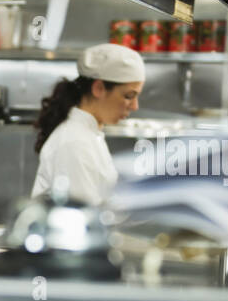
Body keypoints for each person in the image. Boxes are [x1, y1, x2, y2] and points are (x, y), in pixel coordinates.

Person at [31, 42, 145, 205]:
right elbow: (82, 218)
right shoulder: (75, 143)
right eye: (128, 96)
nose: (135, 106)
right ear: (99, 88)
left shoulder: (89, 134)